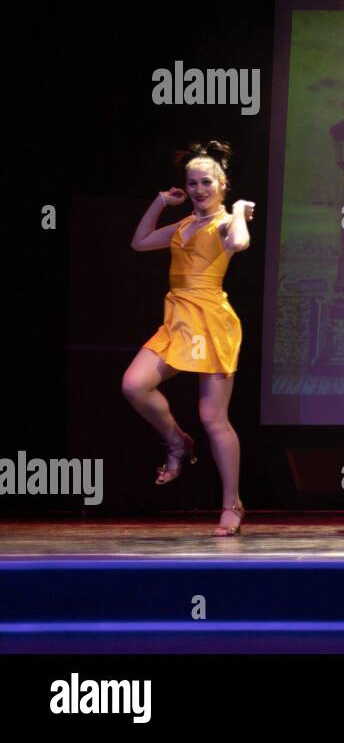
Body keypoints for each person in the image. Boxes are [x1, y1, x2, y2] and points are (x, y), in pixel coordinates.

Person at [121, 140, 254, 536]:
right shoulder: (183, 225)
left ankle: (232, 504)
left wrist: (239, 212)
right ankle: (178, 443)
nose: (198, 190)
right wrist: (161, 201)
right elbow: (140, 241)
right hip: (177, 318)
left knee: (213, 417)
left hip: (211, 319)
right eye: (192, 183)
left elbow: (239, 243)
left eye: (206, 182)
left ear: (222, 184)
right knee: (134, 385)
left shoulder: (225, 221)